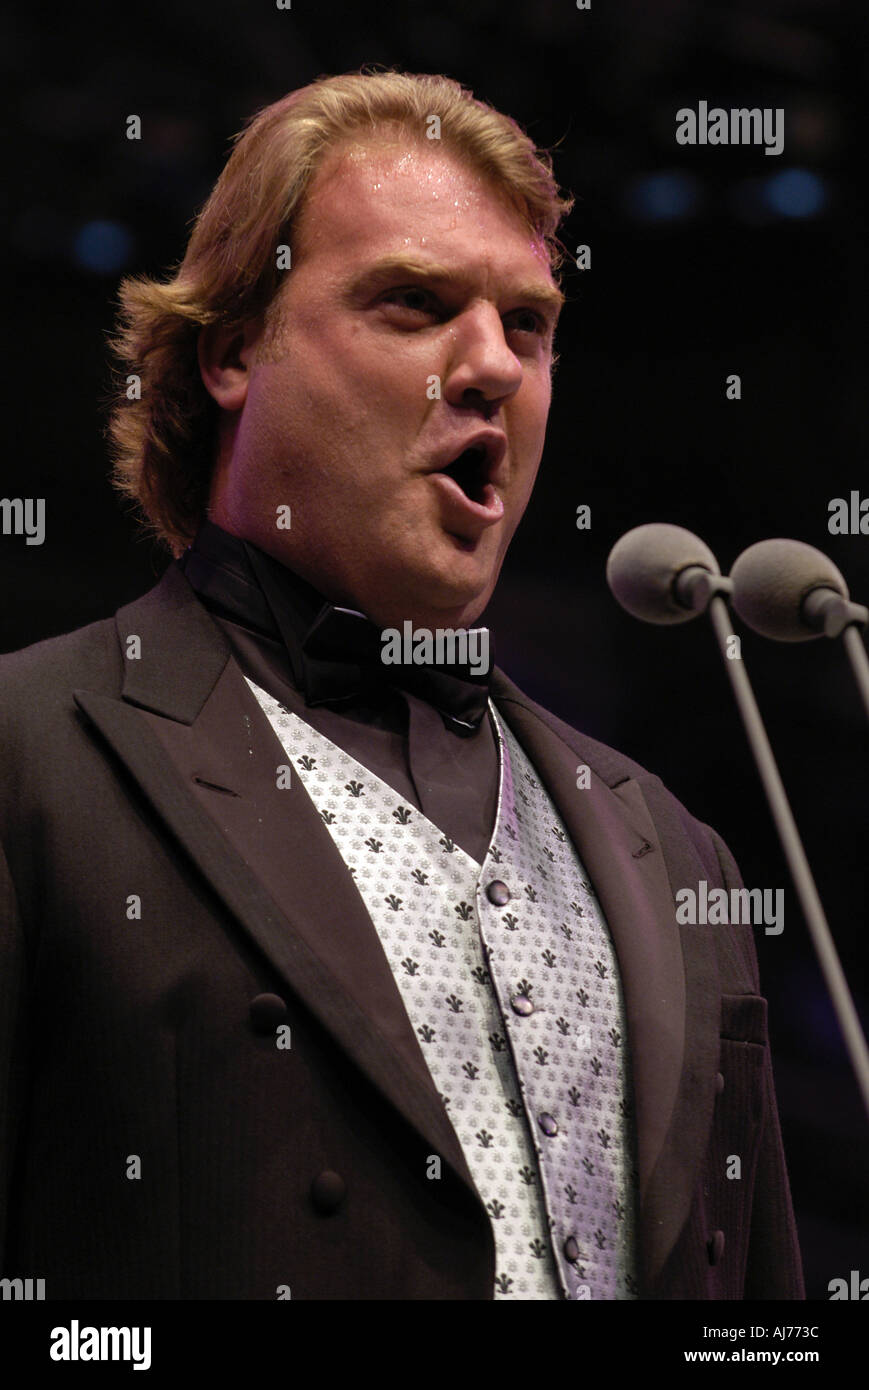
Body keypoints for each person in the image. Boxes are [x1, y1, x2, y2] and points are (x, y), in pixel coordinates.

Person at [0, 69, 803, 1300]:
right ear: (233, 350)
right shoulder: (29, 759)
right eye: (415, 304)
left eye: (528, 325)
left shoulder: (677, 852)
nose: (488, 364)